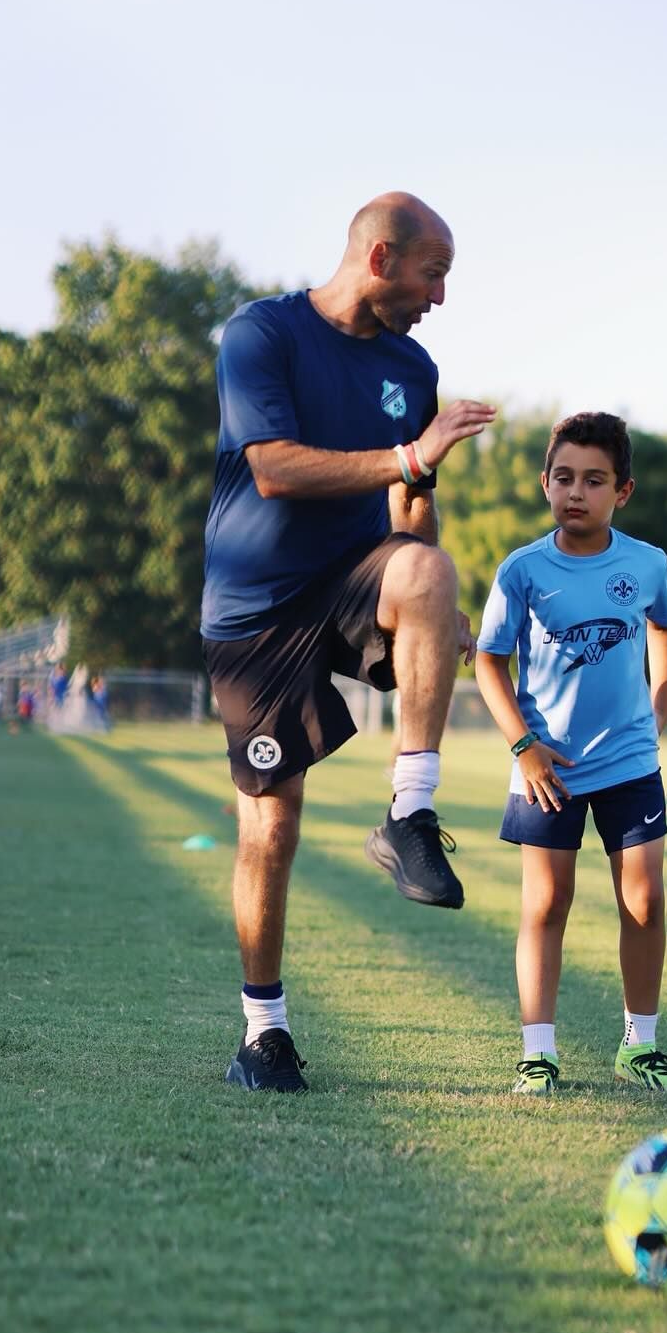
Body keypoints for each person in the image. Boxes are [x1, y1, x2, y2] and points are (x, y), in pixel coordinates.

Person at [201, 192, 496, 1094]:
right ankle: (264, 1033)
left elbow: (410, 507)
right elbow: (275, 468)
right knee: (272, 825)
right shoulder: (262, 335)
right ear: (379, 260)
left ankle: (410, 813)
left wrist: (432, 606)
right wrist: (409, 458)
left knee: (432, 573)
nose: (439, 297)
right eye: (432, 274)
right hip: (256, 613)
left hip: (351, 581)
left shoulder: (413, 366)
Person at [474, 412, 667, 1096]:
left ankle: (640, 1047)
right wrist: (524, 747)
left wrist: (660, 702)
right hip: (548, 767)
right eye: (564, 477)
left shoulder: (647, 563)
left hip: (629, 761)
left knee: (645, 899)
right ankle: (539, 1053)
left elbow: (666, 627)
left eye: (594, 481)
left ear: (621, 491)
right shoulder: (522, 571)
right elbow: (487, 662)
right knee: (545, 903)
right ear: (545, 482)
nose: (576, 492)